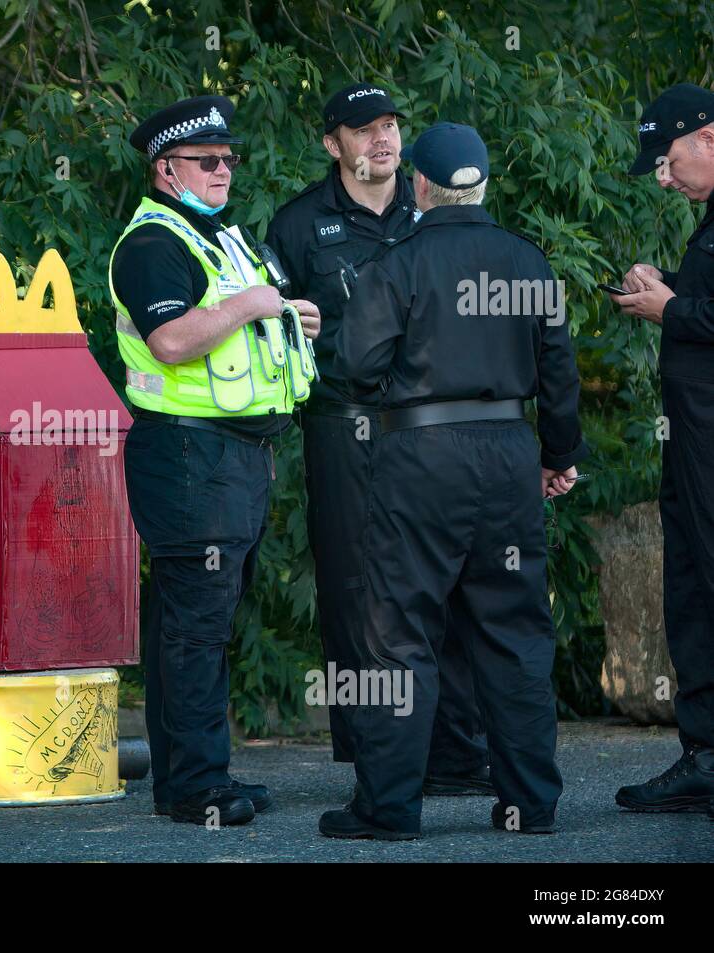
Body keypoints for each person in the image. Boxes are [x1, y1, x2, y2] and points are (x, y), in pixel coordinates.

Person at [323, 122, 587, 839]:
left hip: (421, 458)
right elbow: (558, 373)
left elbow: (355, 366)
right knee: (516, 631)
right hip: (507, 453)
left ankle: (389, 808)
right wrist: (556, 454)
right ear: (483, 185)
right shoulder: (528, 261)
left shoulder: (399, 261)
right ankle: (529, 804)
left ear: (420, 187)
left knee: (400, 632)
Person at [265, 83, 491, 795]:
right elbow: (267, 330)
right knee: (356, 590)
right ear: (334, 144)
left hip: (435, 423)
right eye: (364, 130)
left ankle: (452, 754)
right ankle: (378, 761)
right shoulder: (298, 224)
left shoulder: (433, 210)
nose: (384, 139)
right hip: (344, 425)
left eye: (391, 124)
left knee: (449, 582)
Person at [110, 95, 320, 825]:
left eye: (229, 157)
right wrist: (257, 303)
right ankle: (198, 784)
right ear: (167, 170)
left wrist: (288, 316)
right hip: (189, 451)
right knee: (195, 627)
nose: (224, 168)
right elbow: (170, 340)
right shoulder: (153, 244)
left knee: (193, 621)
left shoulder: (217, 236)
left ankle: (187, 776)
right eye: (207, 160)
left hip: (231, 456)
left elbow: (244, 322)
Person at [611, 83, 714, 818]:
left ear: (707, 137)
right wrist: (667, 286)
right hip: (692, 441)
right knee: (692, 590)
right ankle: (704, 756)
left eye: (669, 160)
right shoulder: (707, 220)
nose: (664, 176)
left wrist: (671, 308)